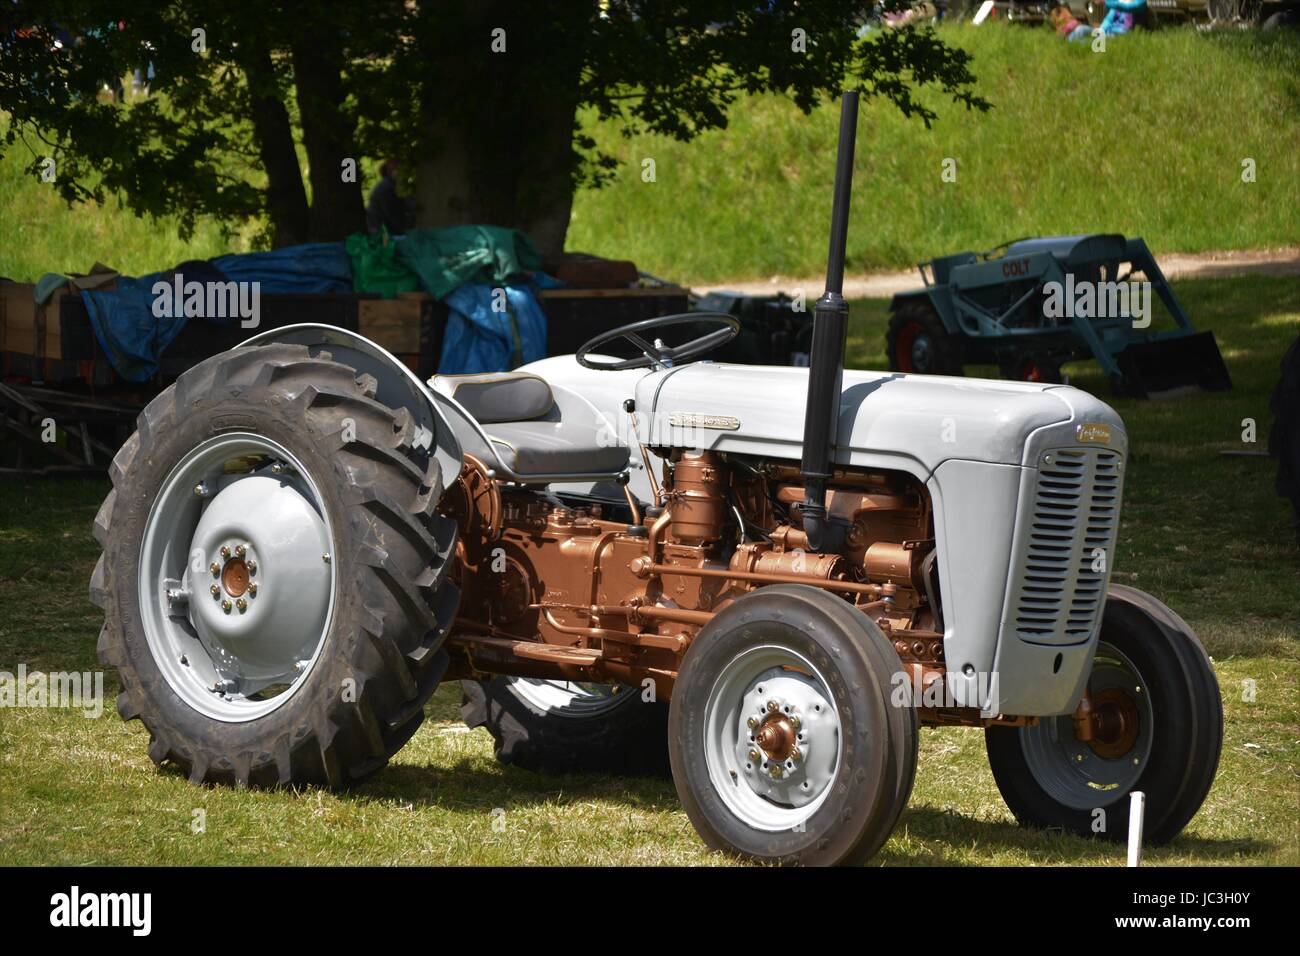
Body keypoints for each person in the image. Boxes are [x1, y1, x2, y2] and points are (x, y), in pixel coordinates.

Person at [366, 159, 413, 237]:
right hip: (383, 233)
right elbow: (393, 215)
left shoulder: (389, 185)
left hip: (384, 230)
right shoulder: (386, 188)